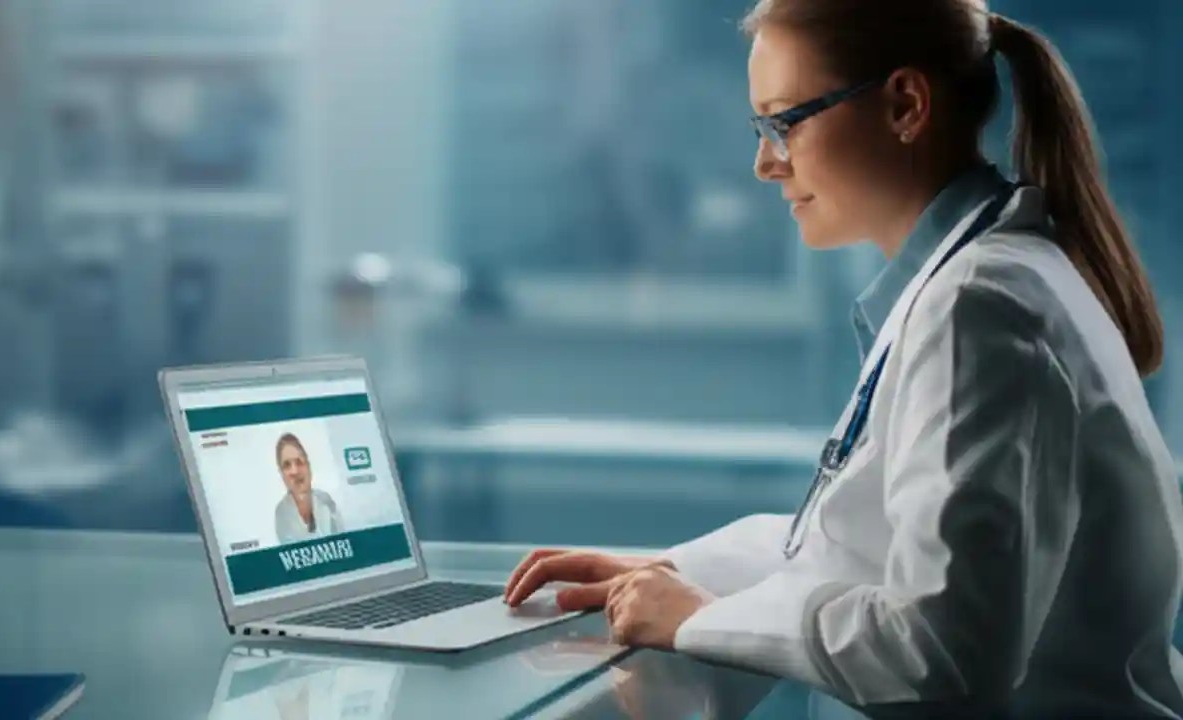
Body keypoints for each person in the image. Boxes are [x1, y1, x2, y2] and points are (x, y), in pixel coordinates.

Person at [504, 1, 1183, 715]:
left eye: (784, 122)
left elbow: (940, 655)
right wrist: (675, 572)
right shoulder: (989, 275)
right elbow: (867, 548)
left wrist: (697, 616)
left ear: (905, 106)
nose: (766, 163)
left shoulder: (978, 305)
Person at [273, 433, 345, 544]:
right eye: (287, 465)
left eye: (299, 462)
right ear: (281, 474)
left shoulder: (325, 500)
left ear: (308, 466)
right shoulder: (282, 513)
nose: (295, 471)